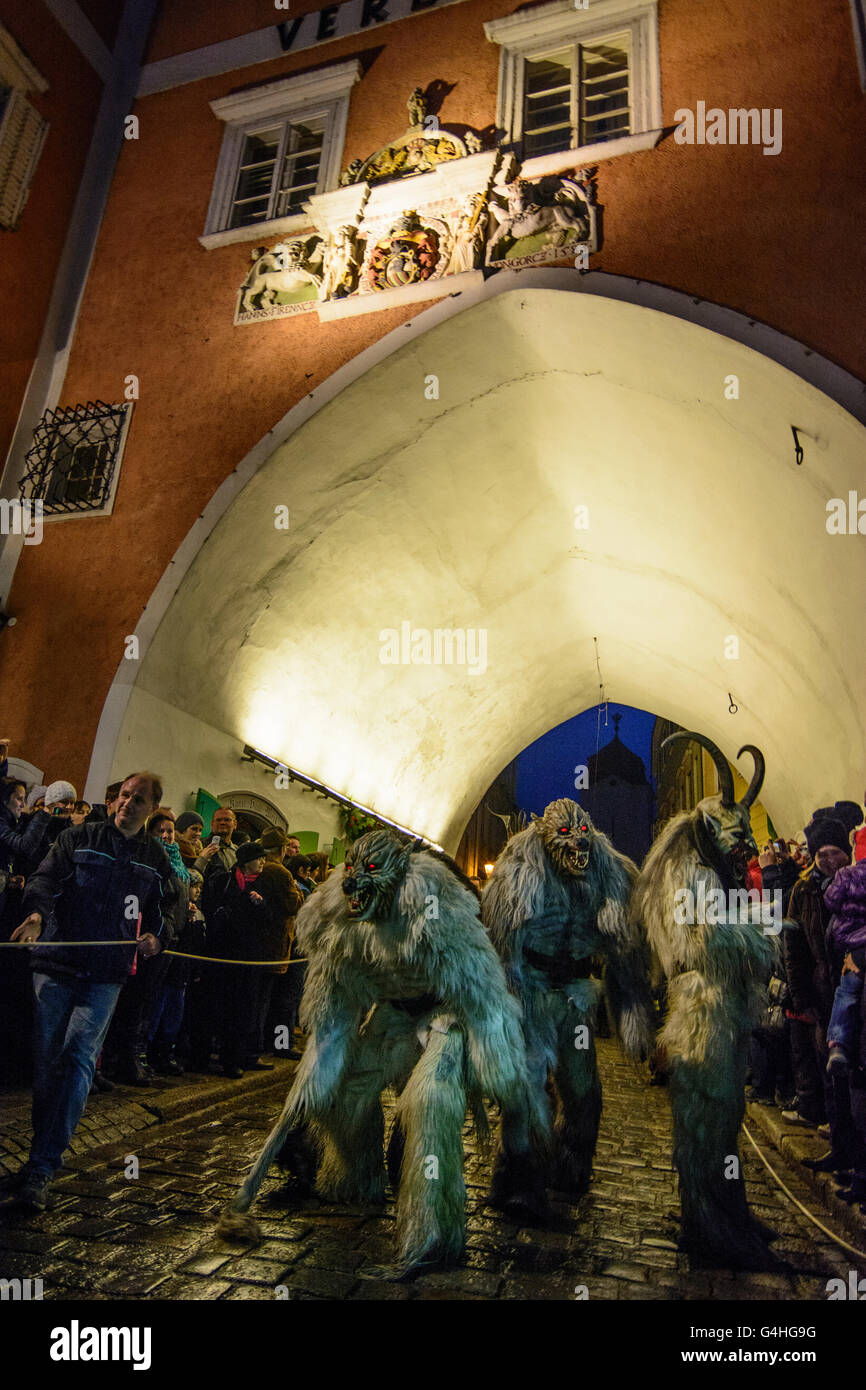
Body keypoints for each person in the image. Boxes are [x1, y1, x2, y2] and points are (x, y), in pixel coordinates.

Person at [8, 772, 172, 1209]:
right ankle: (36, 1161)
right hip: (57, 964)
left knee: (78, 1059)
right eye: (123, 796)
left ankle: (42, 1168)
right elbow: (44, 880)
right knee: (48, 1065)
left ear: (151, 808)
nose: (127, 805)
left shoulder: (155, 858)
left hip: (105, 975)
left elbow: (164, 909)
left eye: (138, 800)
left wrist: (156, 936)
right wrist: (40, 916)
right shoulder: (78, 837)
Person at [209, 840, 270, 1078]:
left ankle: (234, 1059)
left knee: (243, 1010)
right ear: (245, 862)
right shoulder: (225, 881)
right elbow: (214, 907)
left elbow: (271, 918)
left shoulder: (264, 884)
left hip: (249, 958)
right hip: (224, 955)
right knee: (220, 1006)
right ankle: (212, 1054)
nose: (263, 862)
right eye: (259, 858)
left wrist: (261, 905)